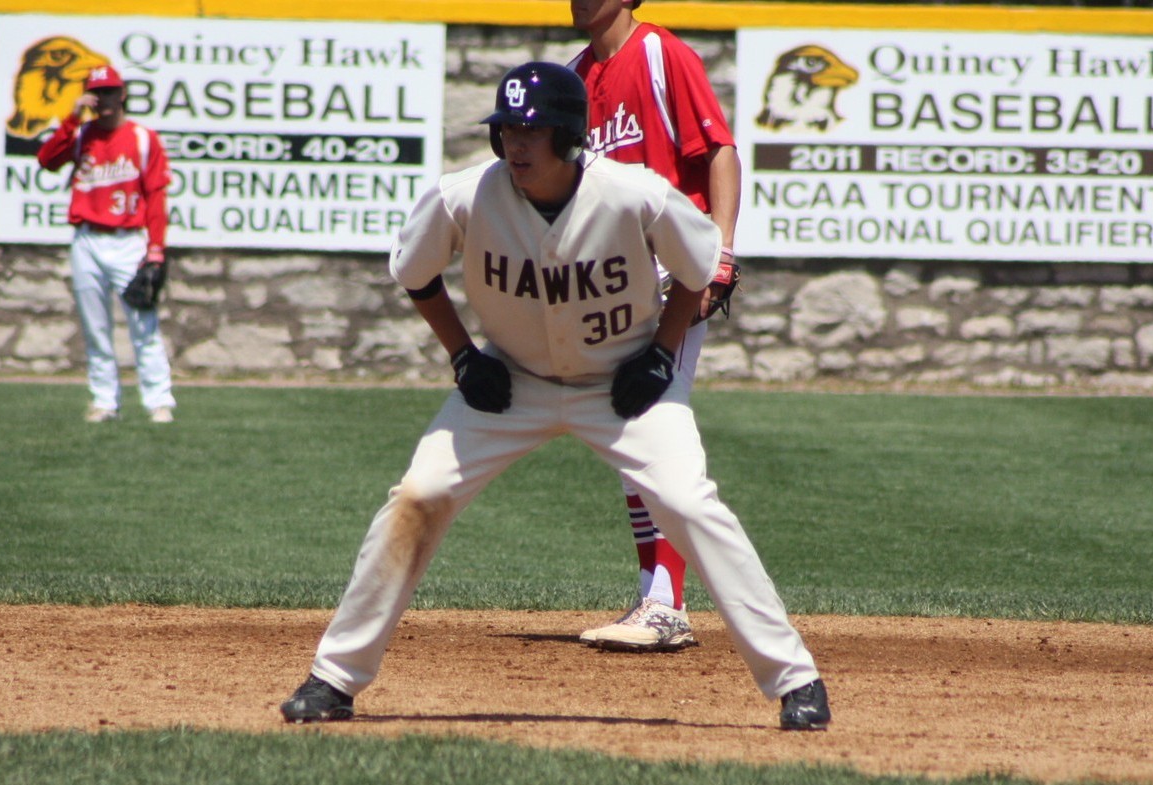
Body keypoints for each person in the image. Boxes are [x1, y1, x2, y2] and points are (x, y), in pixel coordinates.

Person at [279, 62, 830, 731]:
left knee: (690, 503)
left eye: (531, 130)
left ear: (568, 135)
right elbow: (416, 273)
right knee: (419, 495)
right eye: (506, 129)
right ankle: (334, 677)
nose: (515, 143)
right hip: (513, 381)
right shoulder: (464, 196)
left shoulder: (634, 194)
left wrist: (662, 351)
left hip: (623, 385)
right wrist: (462, 354)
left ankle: (795, 678)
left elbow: (697, 269)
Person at [568, 0, 742, 651]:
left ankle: (667, 604)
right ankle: (655, 594)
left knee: (654, 420)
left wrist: (720, 254)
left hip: (675, 275)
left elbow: (720, 152)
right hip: (617, 281)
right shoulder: (578, 74)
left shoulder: (662, 54)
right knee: (628, 434)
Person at [37, 64, 176, 424]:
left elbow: (156, 196)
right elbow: (47, 160)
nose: (104, 100)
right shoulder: (81, 135)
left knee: (143, 324)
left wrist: (156, 248)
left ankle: (159, 402)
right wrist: (71, 117)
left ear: (123, 93)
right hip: (87, 240)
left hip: (129, 240)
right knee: (95, 328)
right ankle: (104, 401)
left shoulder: (143, 138)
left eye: (110, 91)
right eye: (97, 93)